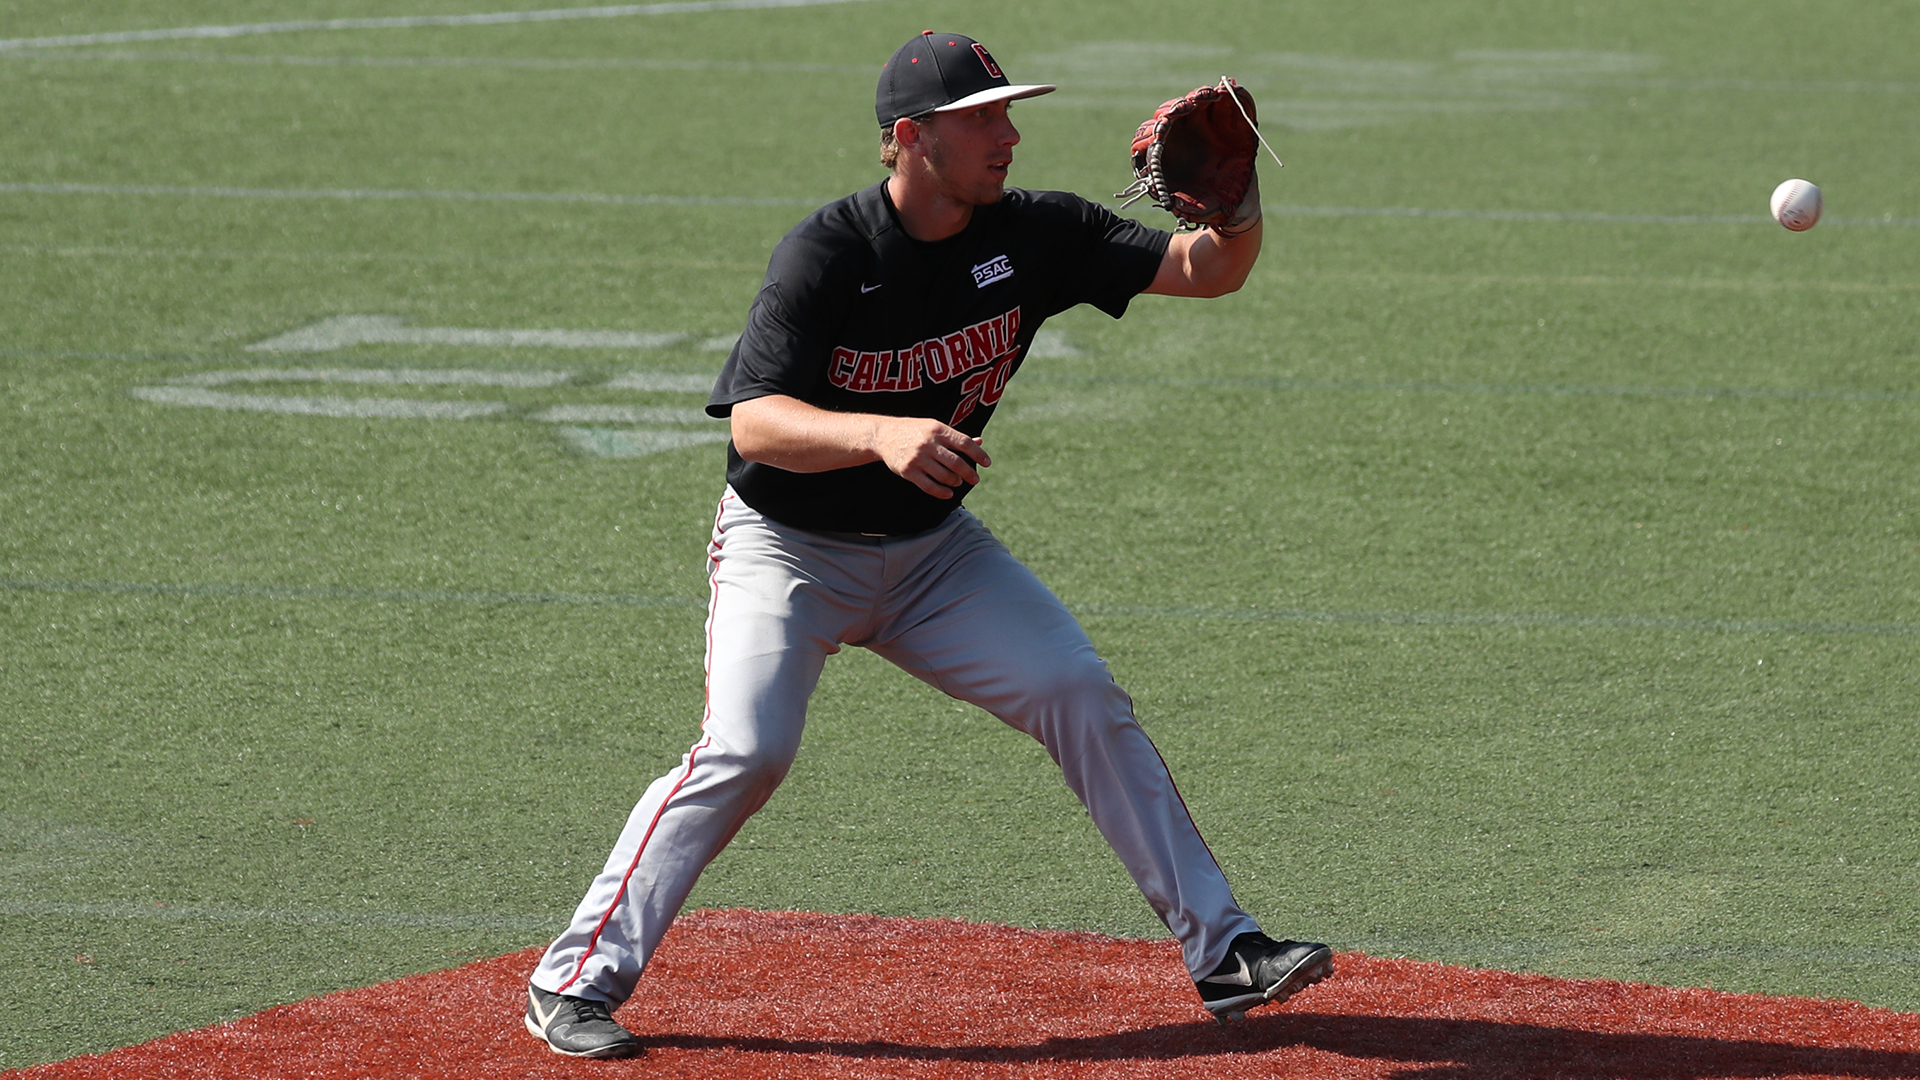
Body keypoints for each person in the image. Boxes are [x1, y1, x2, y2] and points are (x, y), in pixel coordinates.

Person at [522, 31, 1331, 1059]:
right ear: (910, 140)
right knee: (747, 749)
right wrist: (879, 431)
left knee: (1079, 694)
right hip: (790, 551)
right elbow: (754, 425)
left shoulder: (1037, 232)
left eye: (1006, 113)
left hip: (935, 559)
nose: (1010, 135)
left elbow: (1209, 271)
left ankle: (1228, 953)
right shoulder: (830, 251)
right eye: (982, 120)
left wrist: (1236, 202)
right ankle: (571, 981)